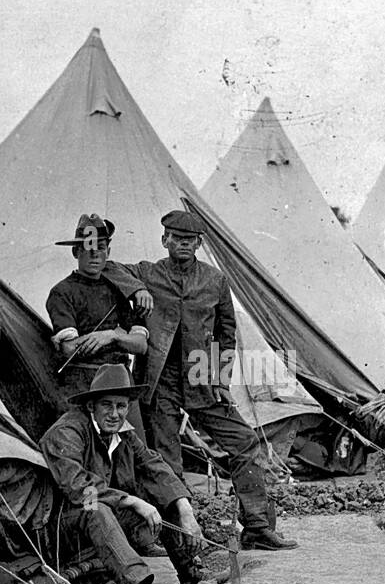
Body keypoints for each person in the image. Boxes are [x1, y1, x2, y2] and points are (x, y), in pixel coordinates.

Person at [121, 210, 296, 551]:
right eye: (175, 238)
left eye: (189, 240)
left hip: (202, 375)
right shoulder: (147, 272)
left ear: (199, 243)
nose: (182, 244)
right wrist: (136, 289)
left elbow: (226, 334)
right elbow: (112, 270)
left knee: (244, 442)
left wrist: (221, 378)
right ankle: (174, 538)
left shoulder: (215, 281)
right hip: (160, 380)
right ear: (164, 240)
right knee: (166, 458)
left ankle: (258, 527)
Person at [40, 365, 208, 584]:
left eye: (121, 406)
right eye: (106, 405)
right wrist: (132, 501)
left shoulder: (124, 434)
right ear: (91, 405)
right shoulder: (67, 431)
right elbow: (78, 487)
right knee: (95, 508)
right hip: (61, 528)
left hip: (104, 518)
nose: (114, 413)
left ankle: (190, 573)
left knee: (162, 495)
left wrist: (184, 508)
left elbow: (154, 467)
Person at [46, 214, 152, 406]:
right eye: (88, 248)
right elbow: (69, 348)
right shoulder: (62, 292)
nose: (95, 254)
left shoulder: (119, 289)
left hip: (120, 382)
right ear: (75, 252)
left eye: (101, 248)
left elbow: (141, 345)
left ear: (108, 252)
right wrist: (119, 340)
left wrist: (112, 336)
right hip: (83, 384)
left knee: (132, 435)